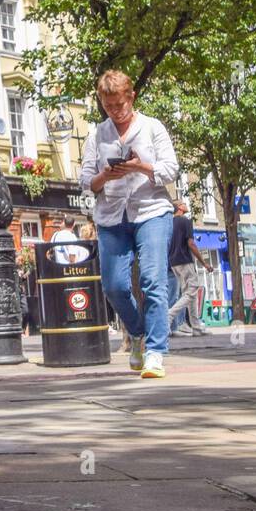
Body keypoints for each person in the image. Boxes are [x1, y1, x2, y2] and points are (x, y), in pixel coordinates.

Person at [79, 70, 178, 379]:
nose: (115, 111)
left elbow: (171, 169)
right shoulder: (97, 135)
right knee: (114, 286)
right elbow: (85, 180)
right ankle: (137, 333)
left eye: (119, 104)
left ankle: (155, 353)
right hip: (111, 216)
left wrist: (141, 167)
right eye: (108, 106)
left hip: (151, 211)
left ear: (131, 97)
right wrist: (104, 176)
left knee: (152, 281)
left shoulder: (152, 128)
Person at [167, 199, 213, 336]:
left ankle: (196, 327)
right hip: (185, 261)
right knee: (191, 291)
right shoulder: (185, 221)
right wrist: (204, 263)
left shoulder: (169, 223)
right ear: (179, 207)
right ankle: (169, 315)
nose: (186, 204)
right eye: (183, 203)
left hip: (174, 263)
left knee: (189, 293)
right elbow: (191, 243)